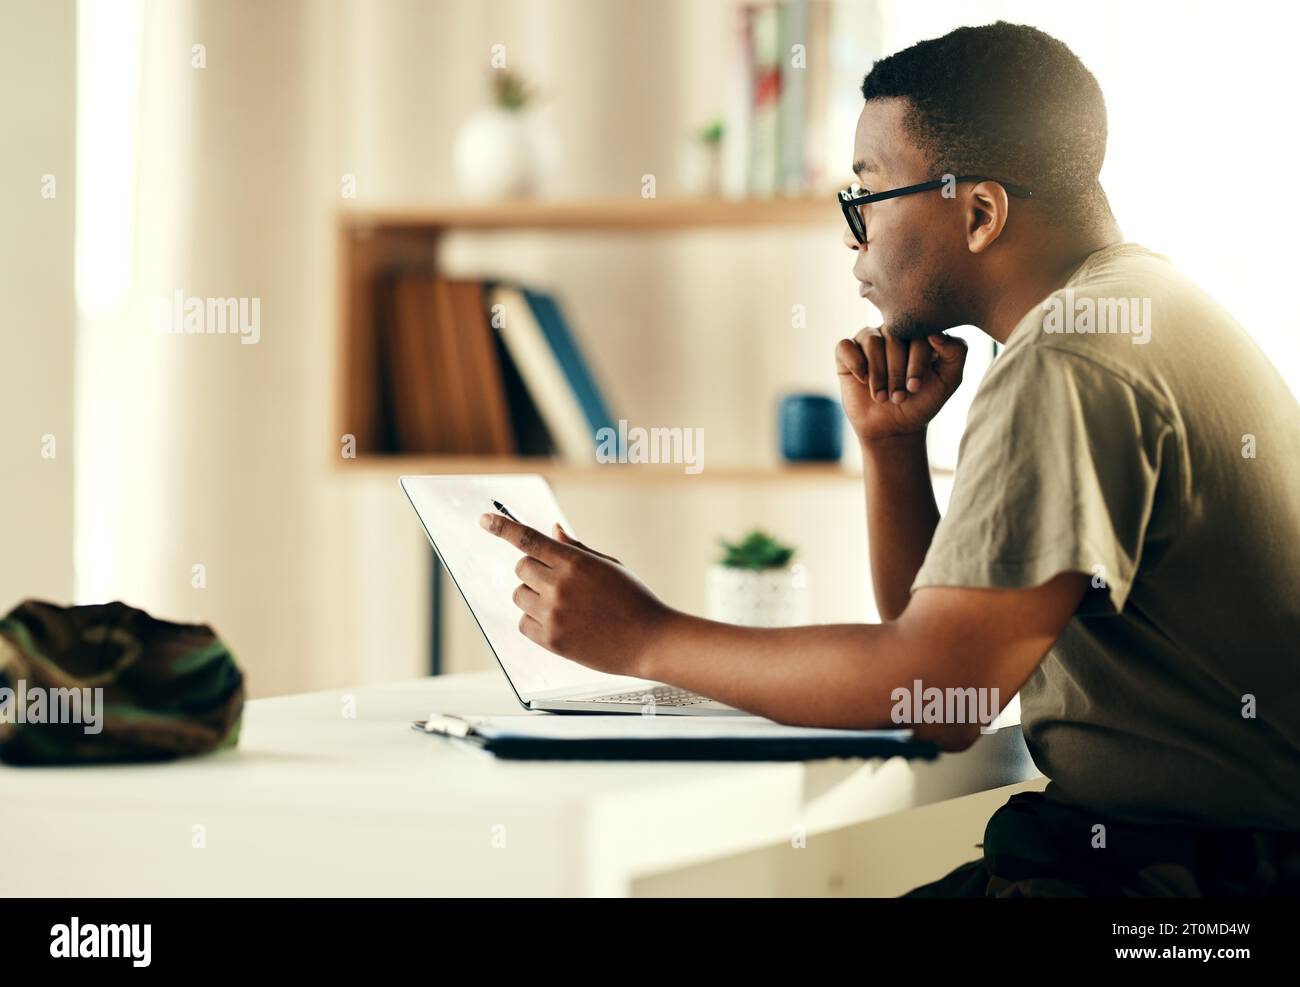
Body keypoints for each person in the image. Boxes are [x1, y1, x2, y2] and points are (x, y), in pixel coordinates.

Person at [482, 22, 1300, 896]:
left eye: (866, 197)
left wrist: (648, 638)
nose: (853, 239)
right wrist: (892, 446)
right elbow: (942, 643)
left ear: (980, 213)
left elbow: (936, 690)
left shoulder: (1069, 357)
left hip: (1196, 887)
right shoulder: (1133, 307)